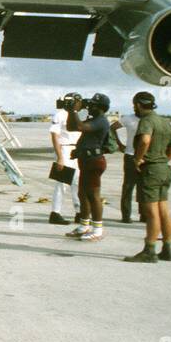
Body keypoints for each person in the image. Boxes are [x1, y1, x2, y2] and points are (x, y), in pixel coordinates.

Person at [124, 91, 171, 263]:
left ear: (138, 104)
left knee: (151, 212)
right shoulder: (164, 121)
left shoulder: (146, 121)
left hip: (151, 171)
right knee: (164, 210)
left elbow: (145, 140)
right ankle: (167, 248)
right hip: (164, 169)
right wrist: (162, 161)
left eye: (135, 105)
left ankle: (149, 250)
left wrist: (139, 159)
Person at [64, 92, 114, 242]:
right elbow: (72, 127)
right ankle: (84, 225)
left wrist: (74, 110)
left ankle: (98, 229)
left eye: (92, 105)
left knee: (93, 196)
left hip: (94, 162)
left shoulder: (101, 121)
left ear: (100, 107)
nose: (89, 107)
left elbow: (79, 125)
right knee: (82, 194)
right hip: (86, 160)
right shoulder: (94, 119)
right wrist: (70, 111)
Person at [48, 95, 80, 225]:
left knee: (77, 183)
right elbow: (54, 136)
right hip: (65, 150)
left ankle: (79, 212)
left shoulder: (77, 115)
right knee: (62, 183)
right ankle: (55, 213)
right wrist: (60, 157)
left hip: (76, 151)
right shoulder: (59, 115)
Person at [110, 105, 144, 224]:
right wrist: (119, 144)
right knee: (128, 187)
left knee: (144, 187)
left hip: (145, 156)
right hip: (130, 155)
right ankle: (126, 215)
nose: (135, 107)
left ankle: (144, 214)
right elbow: (113, 127)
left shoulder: (150, 119)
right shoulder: (128, 118)